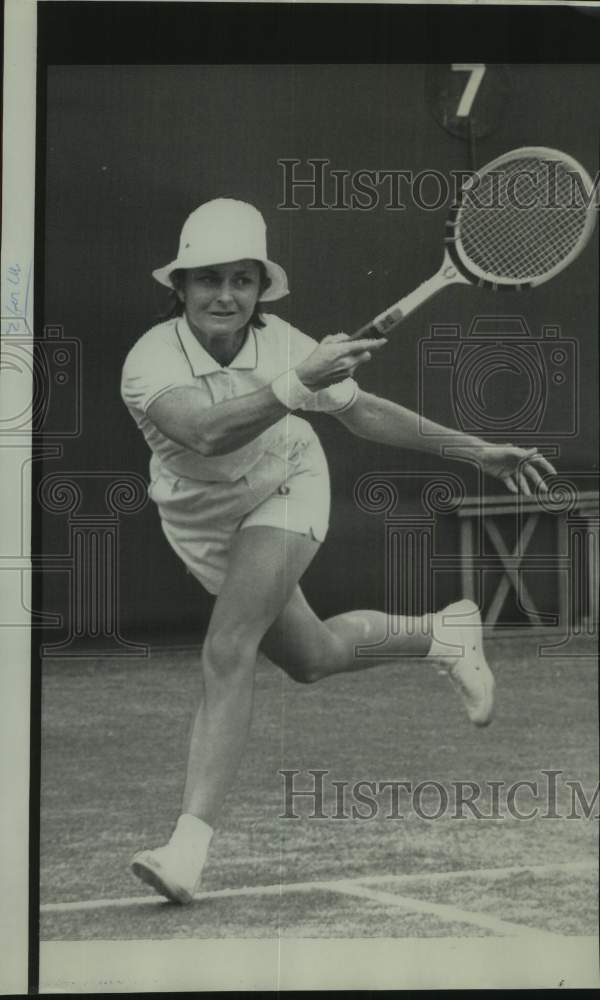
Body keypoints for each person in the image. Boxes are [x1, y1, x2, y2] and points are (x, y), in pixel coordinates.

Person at [121, 198, 555, 904]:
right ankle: (441, 634)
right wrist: (301, 381)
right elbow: (203, 434)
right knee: (310, 658)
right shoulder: (150, 360)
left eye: (241, 279)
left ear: (262, 290)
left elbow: (362, 412)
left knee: (228, 649)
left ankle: (186, 851)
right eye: (207, 279)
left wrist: (475, 449)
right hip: (198, 515)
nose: (224, 295)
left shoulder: (287, 345)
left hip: (284, 483)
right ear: (180, 287)